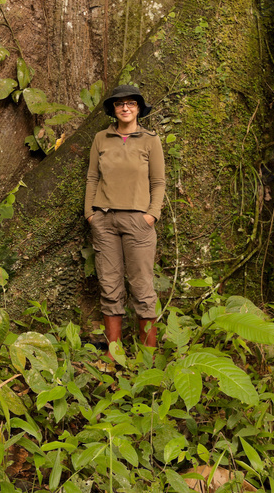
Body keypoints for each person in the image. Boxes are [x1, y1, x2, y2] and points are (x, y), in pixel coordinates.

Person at [84, 84, 165, 360]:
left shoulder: (150, 140)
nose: (125, 108)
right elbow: (92, 178)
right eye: (120, 104)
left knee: (142, 287)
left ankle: (148, 357)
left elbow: (158, 181)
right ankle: (113, 354)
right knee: (109, 285)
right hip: (104, 220)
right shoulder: (101, 139)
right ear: (114, 110)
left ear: (139, 108)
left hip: (138, 222)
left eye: (131, 103)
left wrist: (152, 214)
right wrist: (90, 213)